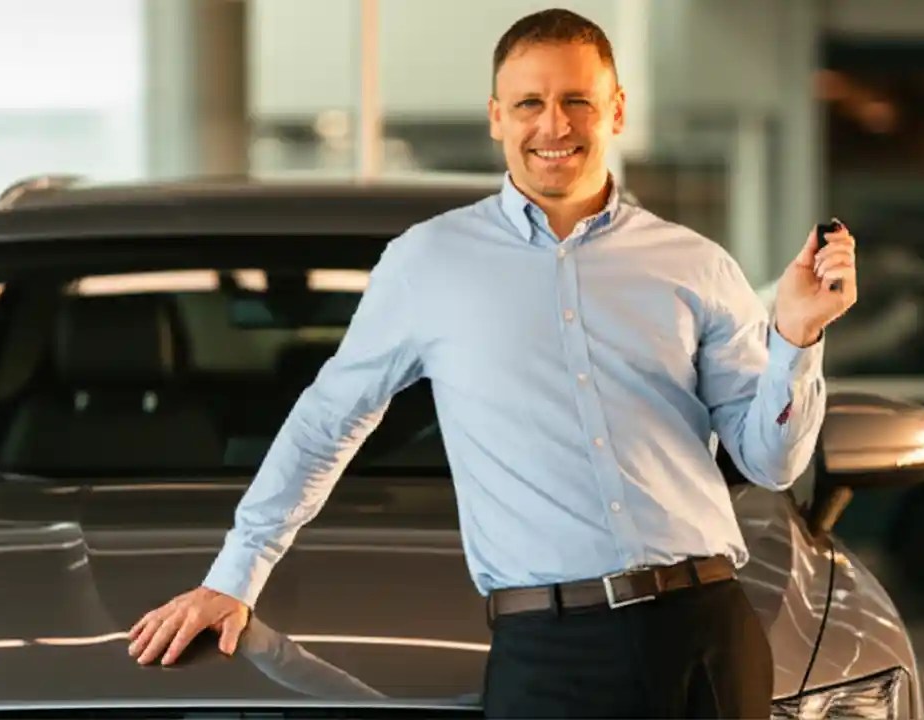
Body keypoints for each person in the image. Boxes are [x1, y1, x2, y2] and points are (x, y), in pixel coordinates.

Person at [127, 7, 857, 718]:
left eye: (577, 100)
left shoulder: (695, 263)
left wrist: (795, 339)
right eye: (529, 103)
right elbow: (328, 422)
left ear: (616, 110)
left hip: (706, 632)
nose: (554, 125)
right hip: (547, 651)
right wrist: (235, 576)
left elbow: (770, 465)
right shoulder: (430, 262)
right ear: (496, 117)